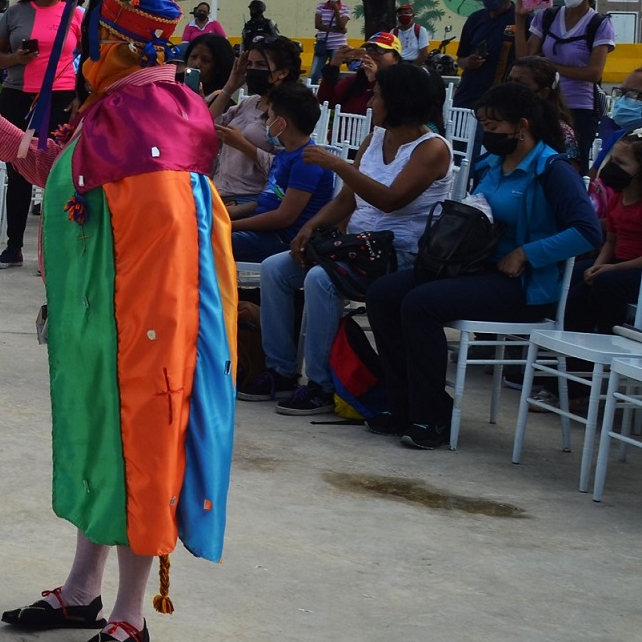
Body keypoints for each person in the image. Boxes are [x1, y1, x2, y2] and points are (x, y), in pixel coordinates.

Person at [0, 0, 235, 642]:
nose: (84, 48)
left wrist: (136, 329)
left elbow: (169, 243)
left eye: (94, 36)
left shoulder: (153, 116)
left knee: (137, 451)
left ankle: (131, 614)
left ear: (121, 45)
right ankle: (82, 590)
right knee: (99, 442)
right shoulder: (115, 107)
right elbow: (57, 170)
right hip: (99, 320)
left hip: (142, 327)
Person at [362, 81, 599, 449]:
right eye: (484, 125)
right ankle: (402, 404)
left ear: (521, 126)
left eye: (494, 126)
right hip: (475, 269)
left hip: (523, 286)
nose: (488, 133)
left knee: (421, 305)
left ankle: (431, 416)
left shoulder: (552, 170)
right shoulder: (492, 164)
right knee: (383, 294)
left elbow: (587, 232)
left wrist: (526, 253)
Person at [252, 62, 454, 412]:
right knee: (275, 269)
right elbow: (347, 199)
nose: (371, 103)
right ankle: (281, 370)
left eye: (377, 96)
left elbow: (390, 200)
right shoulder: (375, 138)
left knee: (320, 280)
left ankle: (321, 385)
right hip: (357, 248)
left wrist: (338, 165)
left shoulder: (432, 149)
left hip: (399, 254)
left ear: (400, 101)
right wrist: (311, 227)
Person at [0, 0, 82, 270]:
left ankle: (53, 252)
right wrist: (16, 59)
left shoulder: (75, 14)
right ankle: (14, 247)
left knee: (59, 174)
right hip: (19, 98)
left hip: (61, 100)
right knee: (18, 171)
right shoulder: (15, 13)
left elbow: (91, 60)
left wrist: (82, 96)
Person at [226, 82, 335, 262]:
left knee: (208, 242)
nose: (267, 123)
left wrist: (230, 226)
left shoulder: (307, 162)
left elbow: (283, 218)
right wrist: (225, 214)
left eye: (269, 117)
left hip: (282, 239)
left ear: (281, 124)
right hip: (266, 232)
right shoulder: (285, 155)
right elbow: (266, 201)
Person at [521, 0, 615, 166]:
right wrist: (520, 19)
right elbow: (527, 58)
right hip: (544, 103)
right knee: (535, 162)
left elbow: (594, 73)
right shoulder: (547, 16)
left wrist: (550, 66)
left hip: (578, 109)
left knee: (571, 165)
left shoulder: (599, 24)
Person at [210, 37, 301, 208]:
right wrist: (229, 87)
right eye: (250, 65)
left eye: (260, 65)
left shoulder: (288, 112)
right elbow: (208, 127)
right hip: (219, 191)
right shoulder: (250, 102)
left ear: (282, 72)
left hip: (250, 199)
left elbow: (286, 166)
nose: (252, 71)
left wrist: (242, 145)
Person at [574, 132, 642, 333]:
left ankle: (608, 338)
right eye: (612, 160)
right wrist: (598, 265)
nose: (612, 166)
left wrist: (611, 269)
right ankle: (574, 342)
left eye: (620, 163)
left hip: (636, 269)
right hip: (616, 261)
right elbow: (611, 242)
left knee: (606, 284)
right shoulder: (616, 199)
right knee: (577, 276)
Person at [452, 0, 523, 111]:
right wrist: (468, 62)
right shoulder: (475, 19)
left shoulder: (522, 20)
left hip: (503, 101)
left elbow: (527, 59)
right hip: (468, 98)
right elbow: (460, 59)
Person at [509, 55, 579, 158]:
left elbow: (569, 166)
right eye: (509, 80)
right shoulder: (503, 122)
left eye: (521, 84)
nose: (511, 88)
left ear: (543, 93)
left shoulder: (562, 133)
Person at [596, 69, 642, 171]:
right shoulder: (618, 137)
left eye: (633, 94)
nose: (622, 100)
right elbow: (593, 175)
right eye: (622, 93)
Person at [310, 0, 351, 82]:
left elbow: (341, 25)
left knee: (333, 72)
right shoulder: (321, 6)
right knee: (315, 73)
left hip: (337, 45)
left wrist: (336, 9)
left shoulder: (345, 8)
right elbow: (318, 25)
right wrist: (336, 30)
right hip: (322, 44)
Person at [182, 31, 234, 98]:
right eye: (193, 57)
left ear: (218, 67)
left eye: (205, 60)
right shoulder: (177, 88)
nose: (196, 64)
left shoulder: (221, 99)